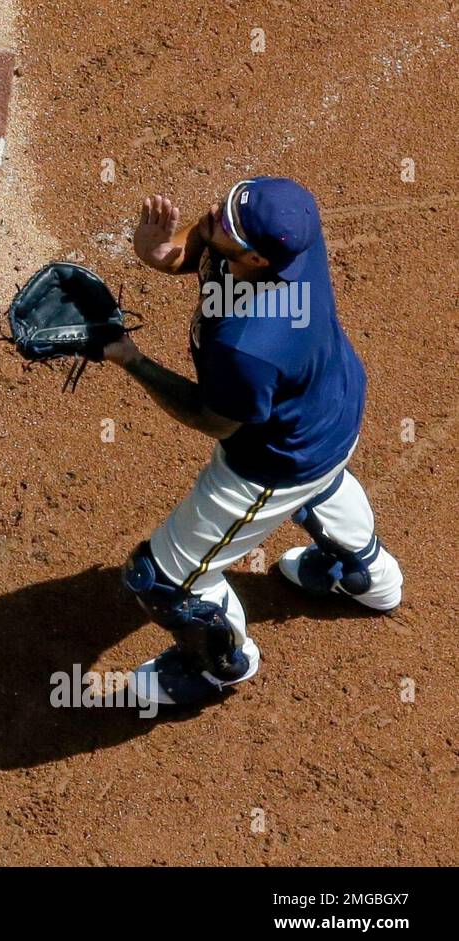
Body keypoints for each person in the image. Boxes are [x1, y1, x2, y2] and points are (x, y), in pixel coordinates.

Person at [101, 177, 403, 706]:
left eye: (230, 226)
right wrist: (165, 255)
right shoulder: (287, 230)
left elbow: (216, 420)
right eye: (227, 205)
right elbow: (209, 234)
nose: (214, 215)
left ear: (259, 261)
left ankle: (220, 668)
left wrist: (131, 359)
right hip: (332, 403)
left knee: (163, 581)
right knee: (323, 482)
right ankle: (366, 574)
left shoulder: (251, 344)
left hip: (275, 459)